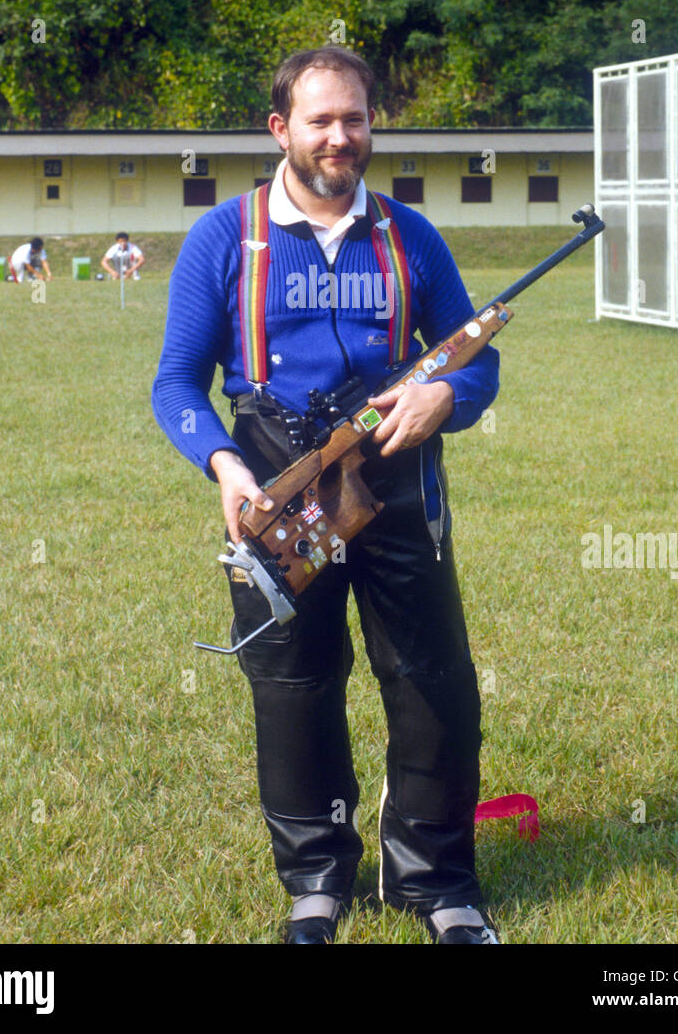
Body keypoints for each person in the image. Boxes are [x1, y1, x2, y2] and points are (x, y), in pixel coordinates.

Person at [152, 47, 500, 945]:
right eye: (320, 120)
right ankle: (315, 881)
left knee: (432, 680)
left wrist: (443, 396)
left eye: (355, 118)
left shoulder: (409, 236)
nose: (340, 136)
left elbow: (478, 357)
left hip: (395, 481)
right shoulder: (224, 238)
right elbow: (176, 386)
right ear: (281, 129)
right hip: (274, 484)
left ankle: (437, 883)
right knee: (292, 682)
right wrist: (225, 468)